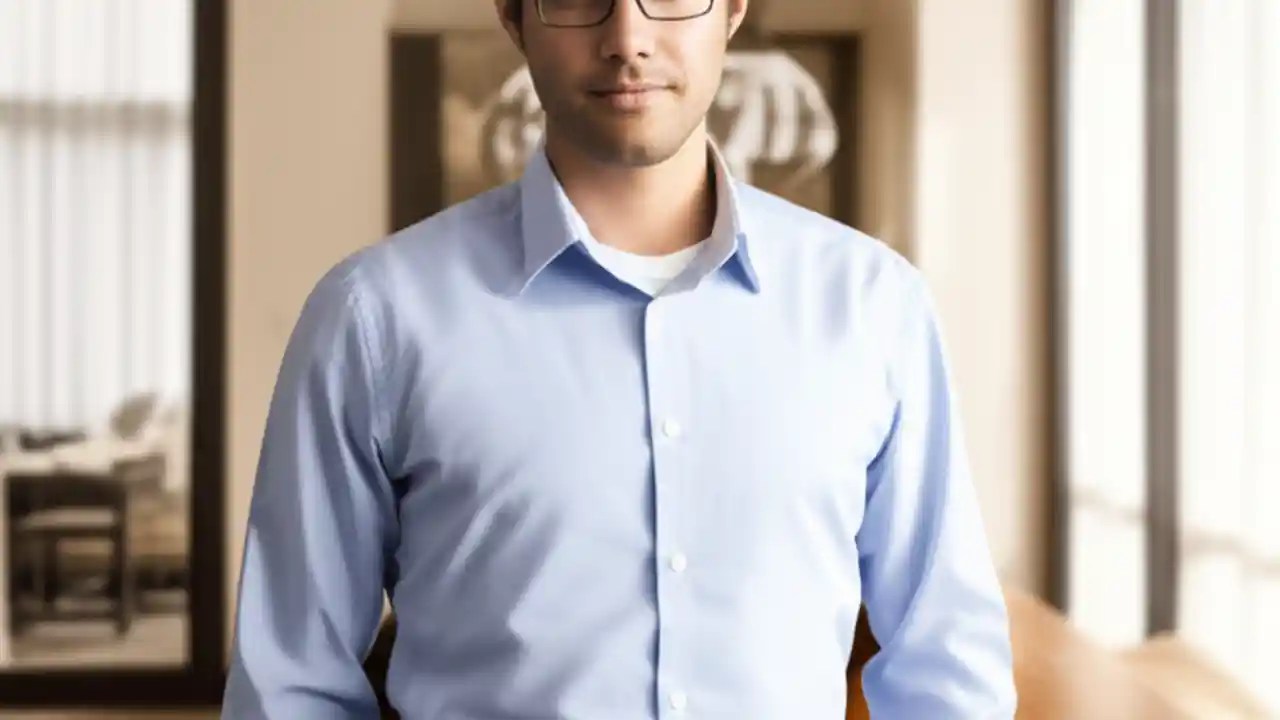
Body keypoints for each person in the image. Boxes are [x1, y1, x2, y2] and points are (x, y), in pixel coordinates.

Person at [221, 0, 1018, 717]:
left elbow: (946, 666)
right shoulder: (375, 317)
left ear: (733, 9)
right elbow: (290, 682)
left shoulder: (874, 307)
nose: (627, 37)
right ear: (511, 13)